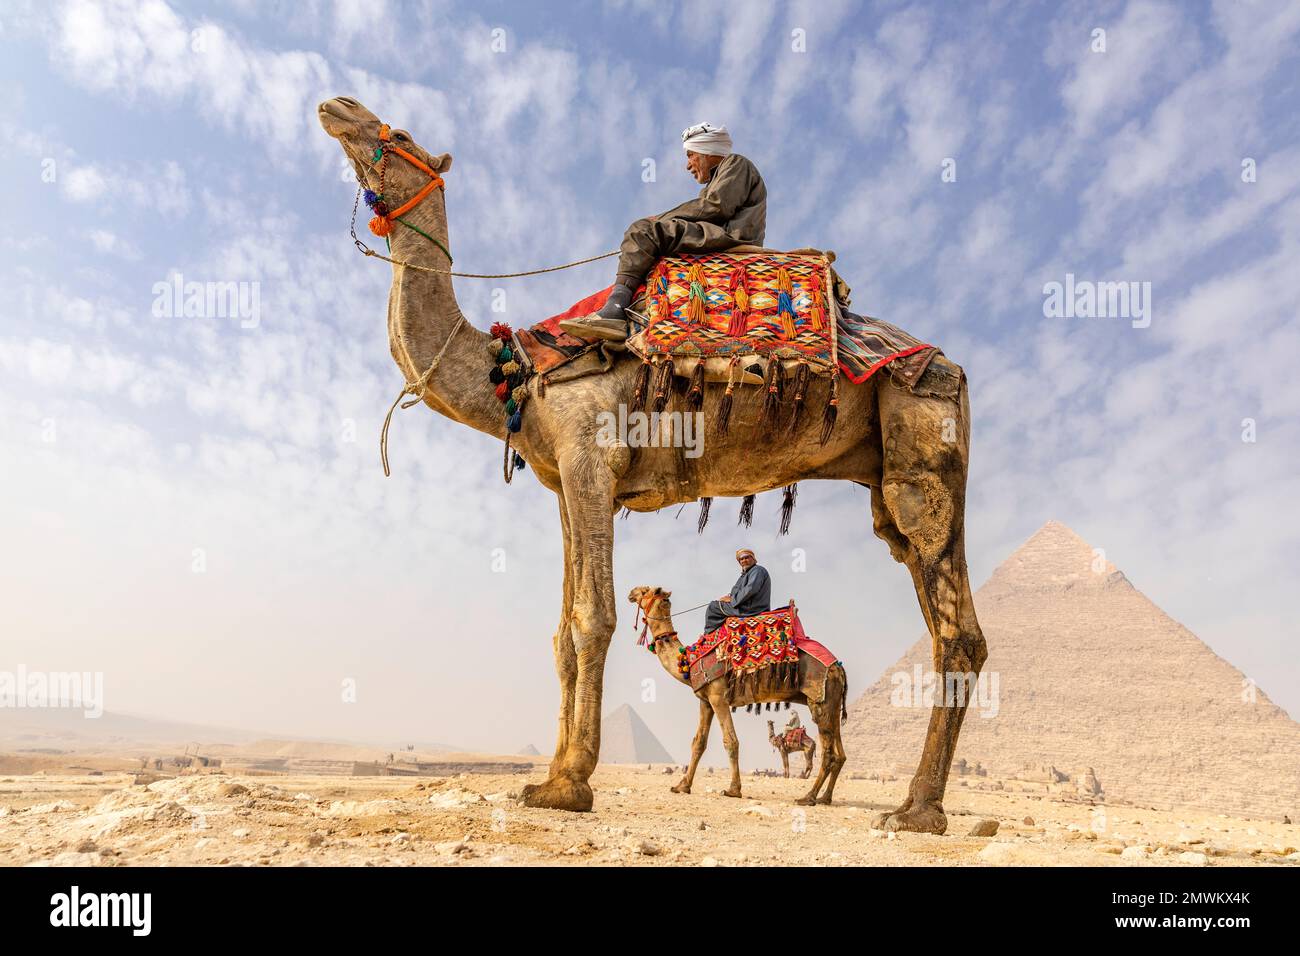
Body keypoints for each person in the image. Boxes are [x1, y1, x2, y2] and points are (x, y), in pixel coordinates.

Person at [559, 122, 767, 342]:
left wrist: (659, 221)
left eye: (691, 155)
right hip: (720, 233)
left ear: (707, 150)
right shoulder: (721, 176)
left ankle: (615, 308)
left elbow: (715, 206)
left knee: (642, 231)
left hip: (729, 238)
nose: (688, 165)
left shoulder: (736, 163)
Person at [704, 548, 771, 634]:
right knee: (719, 605)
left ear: (753, 559)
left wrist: (732, 599)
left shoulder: (757, 570)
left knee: (713, 607)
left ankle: (707, 636)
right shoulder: (745, 574)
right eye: (741, 559)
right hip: (745, 604)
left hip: (751, 607)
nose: (744, 561)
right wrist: (729, 597)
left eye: (746, 558)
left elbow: (751, 589)